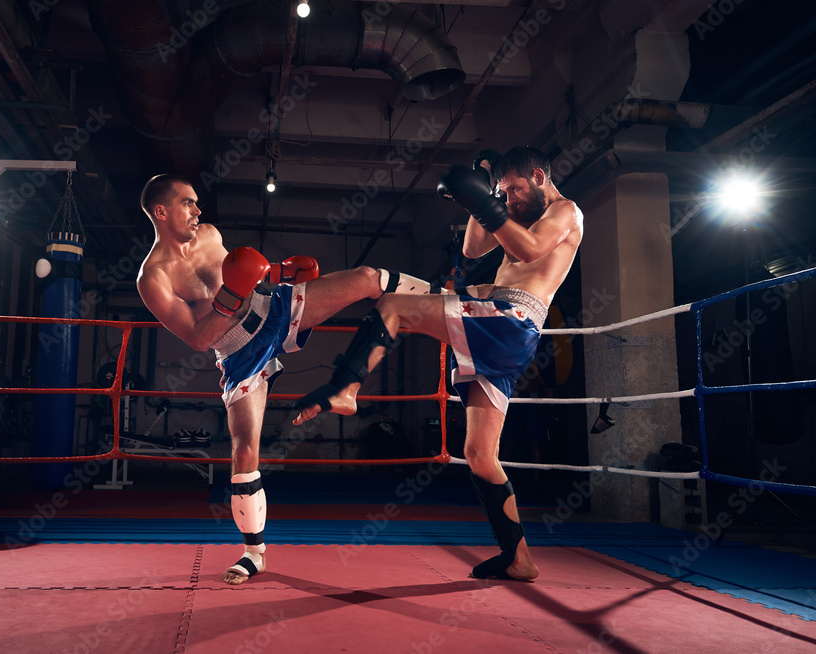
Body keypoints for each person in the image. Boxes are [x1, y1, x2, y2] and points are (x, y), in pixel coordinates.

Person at [293, 147, 583, 580]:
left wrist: (487, 202)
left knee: (392, 305)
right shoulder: (516, 214)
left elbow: (529, 252)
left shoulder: (566, 211)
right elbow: (470, 248)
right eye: (505, 193)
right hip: (501, 333)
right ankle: (519, 557)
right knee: (480, 453)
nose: (513, 200)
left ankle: (347, 390)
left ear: (540, 176)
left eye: (516, 191)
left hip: (509, 320)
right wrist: (481, 196)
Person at [136, 174, 438, 584]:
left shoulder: (209, 234)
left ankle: (446, 295)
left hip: (275, 309)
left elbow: (251, 279)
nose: (197, 210)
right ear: (161, 211)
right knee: (244, 455)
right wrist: (233, 295)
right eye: (188, 203)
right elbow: (197, 337)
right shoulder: (153, 277)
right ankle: (253, 554)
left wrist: (280, 272)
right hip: (240, 352)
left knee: (369, 278)